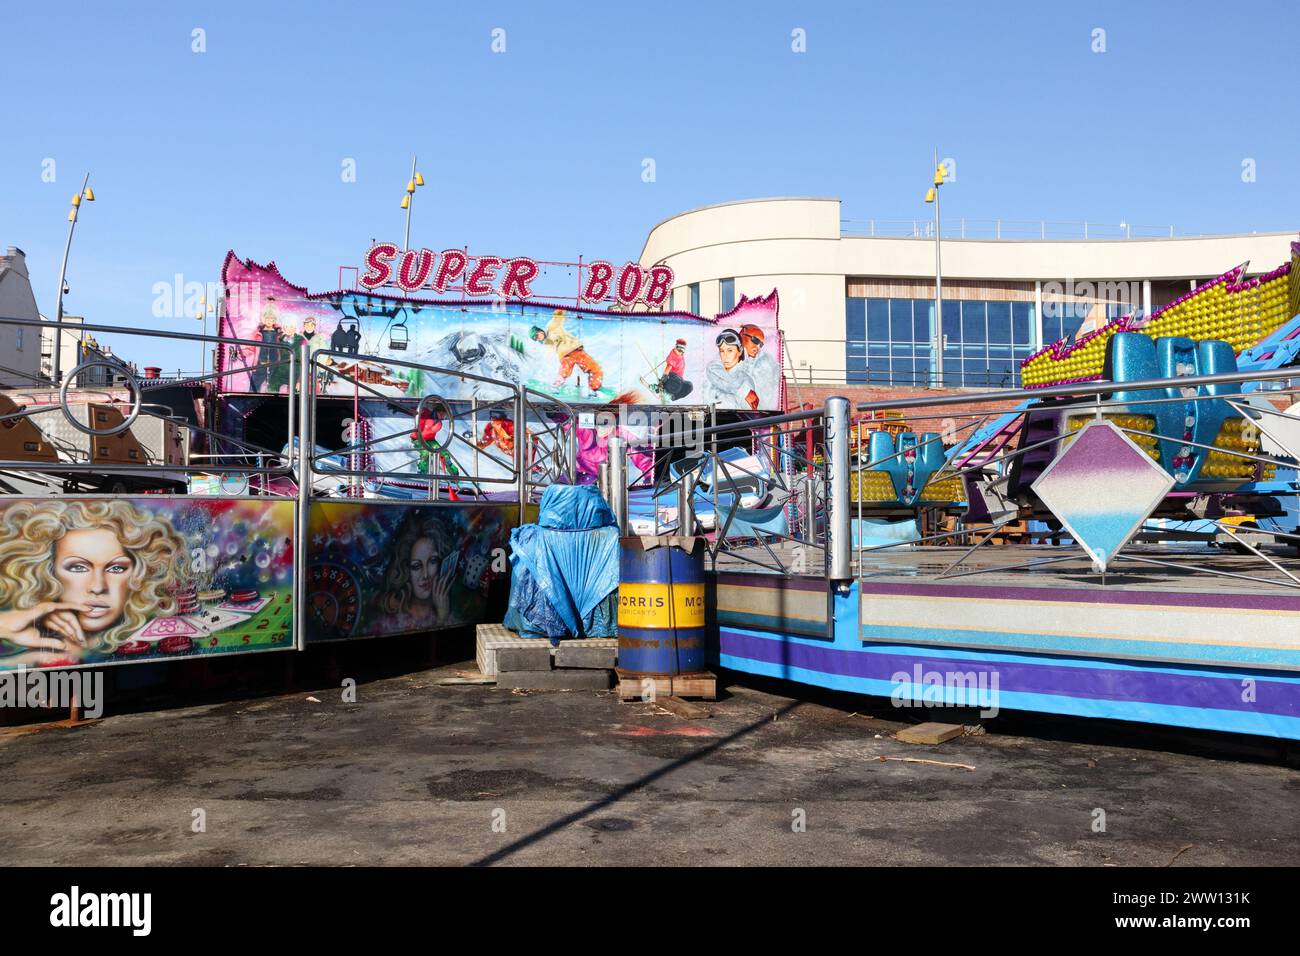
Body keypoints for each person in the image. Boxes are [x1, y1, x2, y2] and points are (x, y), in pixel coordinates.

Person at [0, 499, 185, 667]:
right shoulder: (28, 644)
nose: (97, 587)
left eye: (116, 568)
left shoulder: (151, 643)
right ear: (48, 573)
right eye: (78, 568)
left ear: (138, 574)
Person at [380, 513, 458, 629]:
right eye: (416, 566)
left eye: (432, 561)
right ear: (406, 571)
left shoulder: (450, 613)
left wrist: (443, 616)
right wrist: (441, 620)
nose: (425, 575)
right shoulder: (393, 622)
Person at [531, 309, 604, 391]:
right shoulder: (546, 342)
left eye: (537, 336)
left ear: (540, 331)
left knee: (566, 372)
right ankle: (594, 389)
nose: (538, 339)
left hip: (573, 352)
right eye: (536, 339)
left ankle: (592, 389)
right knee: (595, 369)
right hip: (571, 353)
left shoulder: (551, 327)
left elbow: (558, 316)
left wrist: (560, 309)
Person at [703, 329, 759, 409]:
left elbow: (749, 408)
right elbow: (711, 369)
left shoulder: (746, 379)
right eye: (722, 351)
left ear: (740, 351)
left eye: (730, 351)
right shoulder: (714, 370)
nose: (725, 356)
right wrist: (743, 391)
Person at [738, 323, 779, 409]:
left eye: (760, 344)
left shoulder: (763, 359)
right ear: (742, 335)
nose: (757, 347)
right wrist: (745, 392)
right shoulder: (730, 354)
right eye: (755, 340)